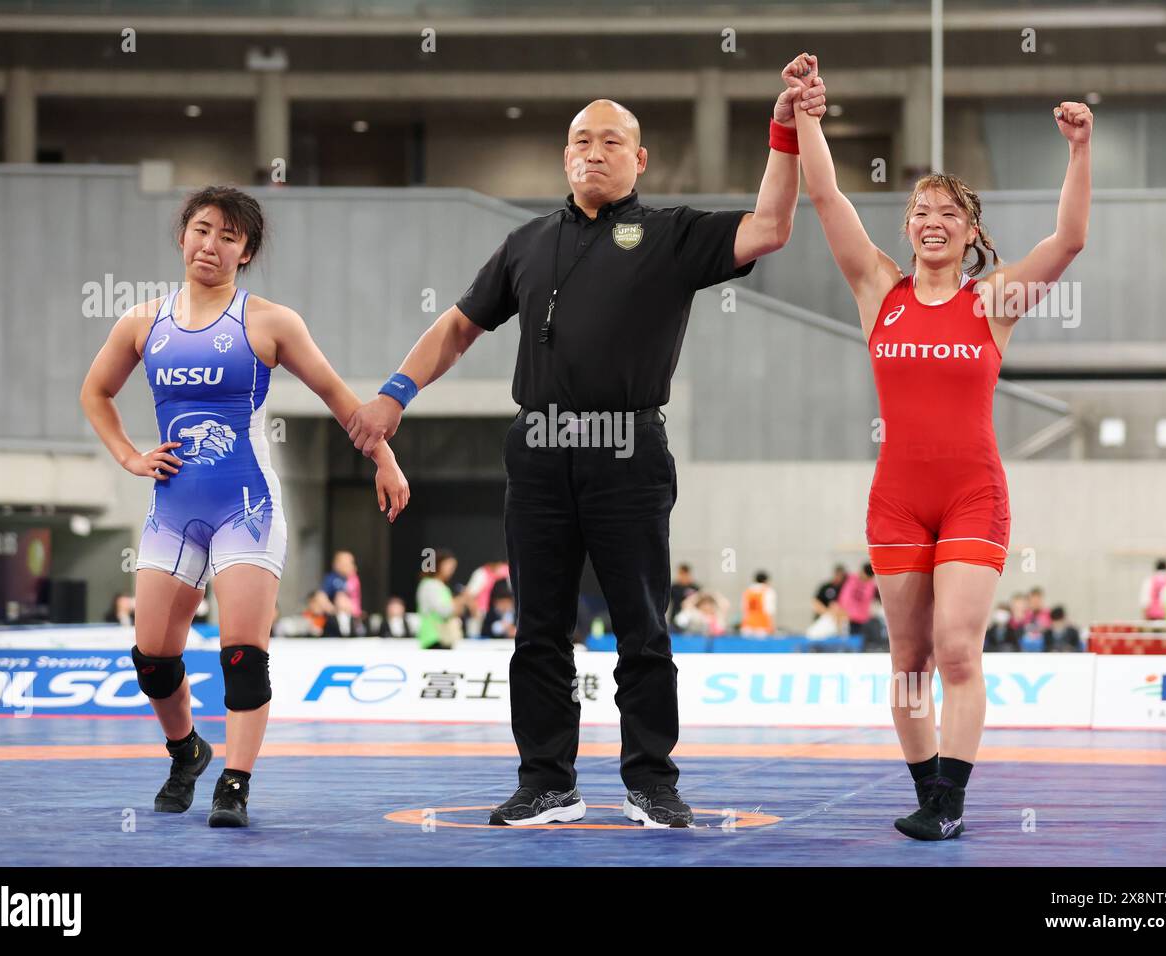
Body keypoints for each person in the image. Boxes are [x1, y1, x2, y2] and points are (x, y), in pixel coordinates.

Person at [345, 65, 827, 828]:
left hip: (628, 452)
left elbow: (770, 226)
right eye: (579, 140)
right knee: (538, 627)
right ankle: (546, 782)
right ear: (563, 157)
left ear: (641, 159)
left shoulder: (671, 234)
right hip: (536, 453)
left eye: (611, 141)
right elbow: (459, 327)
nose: (592, 152)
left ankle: (652, 783)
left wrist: (785, 128)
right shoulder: (527, 243)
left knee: (642, 626)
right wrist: (394, 394)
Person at [792, 52, 1091, 840]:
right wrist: (809, 117)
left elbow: (1069, 237)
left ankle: (951, 803)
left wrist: (1079, 149)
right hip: (896, 497)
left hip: (972, 495)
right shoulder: (878, 292)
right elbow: (823, 196)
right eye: (921, 211)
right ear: (909, 226)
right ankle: (928, 793)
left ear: (970, 233)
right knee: (909, 661)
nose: (931, 221)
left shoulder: (994, 302)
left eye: (948, 214)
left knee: (959, 649)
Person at [80, 185, 410, 828]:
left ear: (246, 252)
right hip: (171, 510)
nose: (211, 245)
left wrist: (386, 459)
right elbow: (95, 392)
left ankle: (236, 780)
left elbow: (341, 399)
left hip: (246, 507)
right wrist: (127, 456)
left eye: (229, 237)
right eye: (202, 230)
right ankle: (186, 751)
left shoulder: (269, 322)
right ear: (183, 236)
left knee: (242, 654)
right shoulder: (143, 323)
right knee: (151, 657)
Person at [416, 549, 467, 649]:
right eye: (448, 566)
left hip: (444, 638)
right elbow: (443, 611)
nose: (451, 570)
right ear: (439, 564)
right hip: (433, 638)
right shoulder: (429, 585)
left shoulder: (442, 586)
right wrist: (460, 600)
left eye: (453, 567)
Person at [838, 563, 878, 637]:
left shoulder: (872, 585)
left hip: (861, 620)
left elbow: (869, 602)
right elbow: (844, 596)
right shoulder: (850, 578)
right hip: (845, 616)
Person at [320, 550, 362, 617]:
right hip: (337, 614)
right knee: (340, 597)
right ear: (337, 564)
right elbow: (322, 596)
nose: (352, 566)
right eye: (347, 563)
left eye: (352, 563)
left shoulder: (352, 579)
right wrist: (333, 610)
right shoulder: (332, 579)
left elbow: (355, 597)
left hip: (352, 615)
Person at [739, 571, 777, 636]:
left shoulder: (748, 591)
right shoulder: (768, 591)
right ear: (766, 580)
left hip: (747, 626)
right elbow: (770, 611)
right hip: (762, 627)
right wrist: (772, 627)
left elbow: (743, 608)